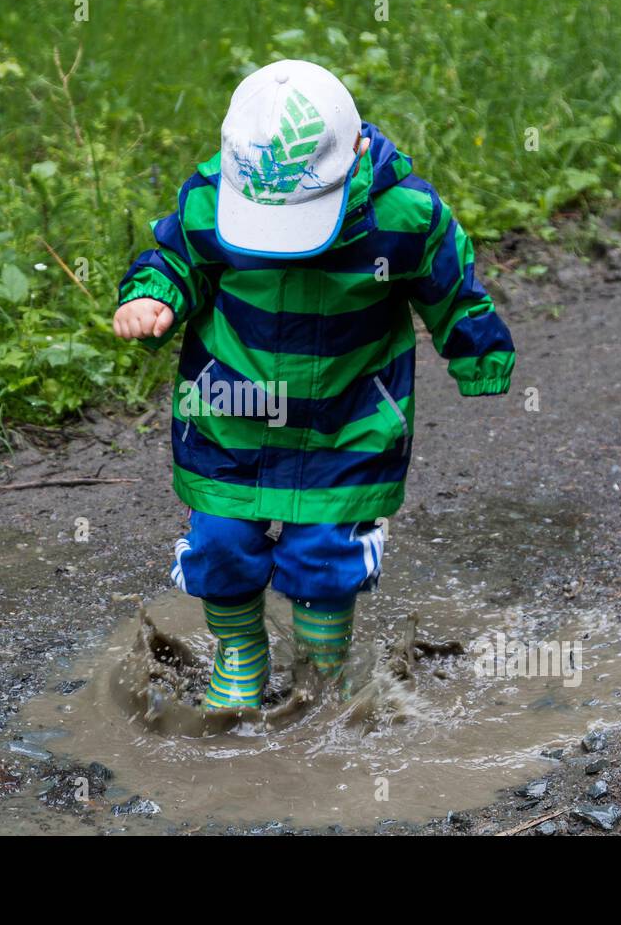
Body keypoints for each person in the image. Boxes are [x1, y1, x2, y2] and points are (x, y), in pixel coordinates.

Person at [113, 59, 515, 709]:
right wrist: (153, 295)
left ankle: (323, 664)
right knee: (220, 543)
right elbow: (175, 256)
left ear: (355, 152)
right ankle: (240, 655)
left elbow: (452, 284)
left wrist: (478, 351)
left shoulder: (403, 215)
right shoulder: (210, 201)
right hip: (230, 415)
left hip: (348, 421)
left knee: (325, 552)